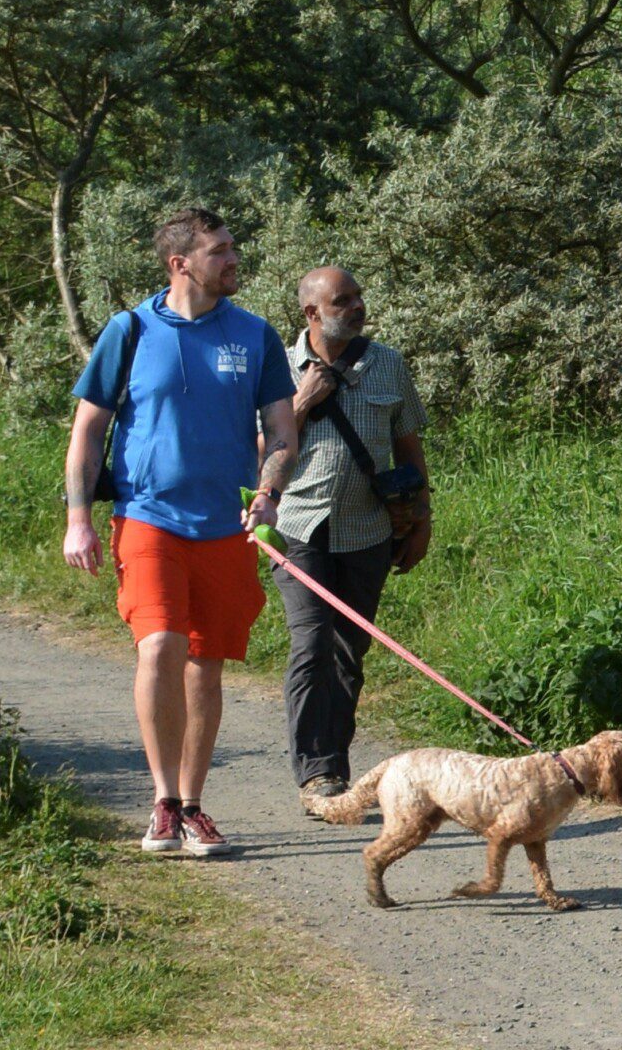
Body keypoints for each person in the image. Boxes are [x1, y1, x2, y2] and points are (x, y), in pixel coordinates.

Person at [62, 207, 297, 858]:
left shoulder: (254, 336)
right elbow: (87, 430)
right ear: (180, 264)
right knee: (159, 645)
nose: (233, 259)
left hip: (225, 525)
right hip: (146, 514)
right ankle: (163, 802)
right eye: (219, 251)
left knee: (205, 667)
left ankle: (193, 807)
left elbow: (282, 431)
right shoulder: (129, 331)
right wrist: (78, 516)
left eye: (232, 248)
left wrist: (270, 494)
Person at [274, 265, 433, 811]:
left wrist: (421, 522)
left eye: (359, 297)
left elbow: (409, 449)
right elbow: (250, 451)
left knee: (349, 651)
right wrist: (300, 402)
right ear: (311, 313)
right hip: (299, 528)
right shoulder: (275, 366)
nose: (358, 306)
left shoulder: (387, 364)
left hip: (369, 530)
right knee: (311, 644)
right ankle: (314, 772)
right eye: (344, 300)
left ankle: (334, 772)